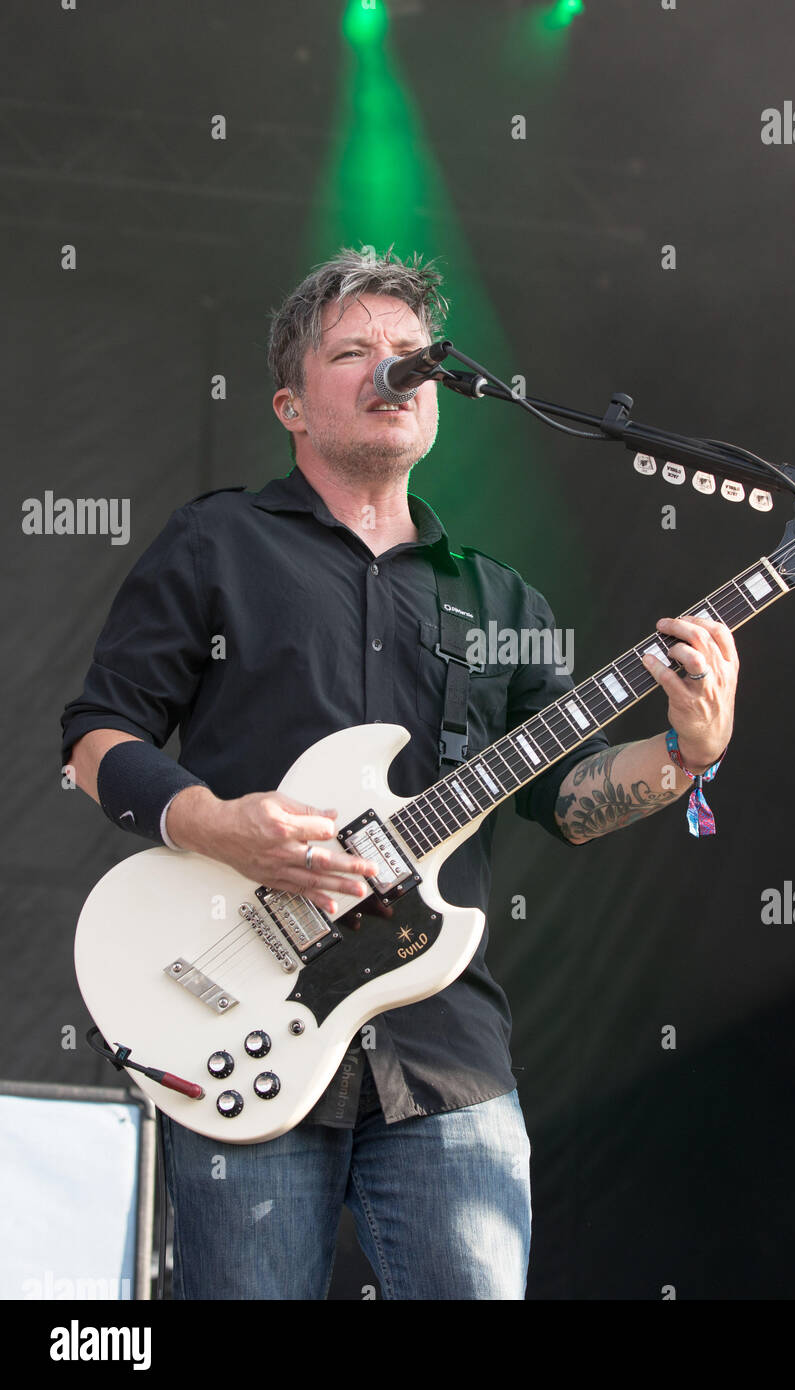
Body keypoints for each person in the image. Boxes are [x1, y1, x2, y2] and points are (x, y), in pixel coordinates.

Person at [62, 247, 739, 1300]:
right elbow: (97, 735)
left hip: (443, 1052)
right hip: (232, 1009)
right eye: (355, 351)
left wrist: (683, 751)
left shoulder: (500, 600)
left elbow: (561, 800)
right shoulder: (218, 541)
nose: (394, 368)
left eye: (413, 354)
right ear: (291, 403)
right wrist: (215, 822)